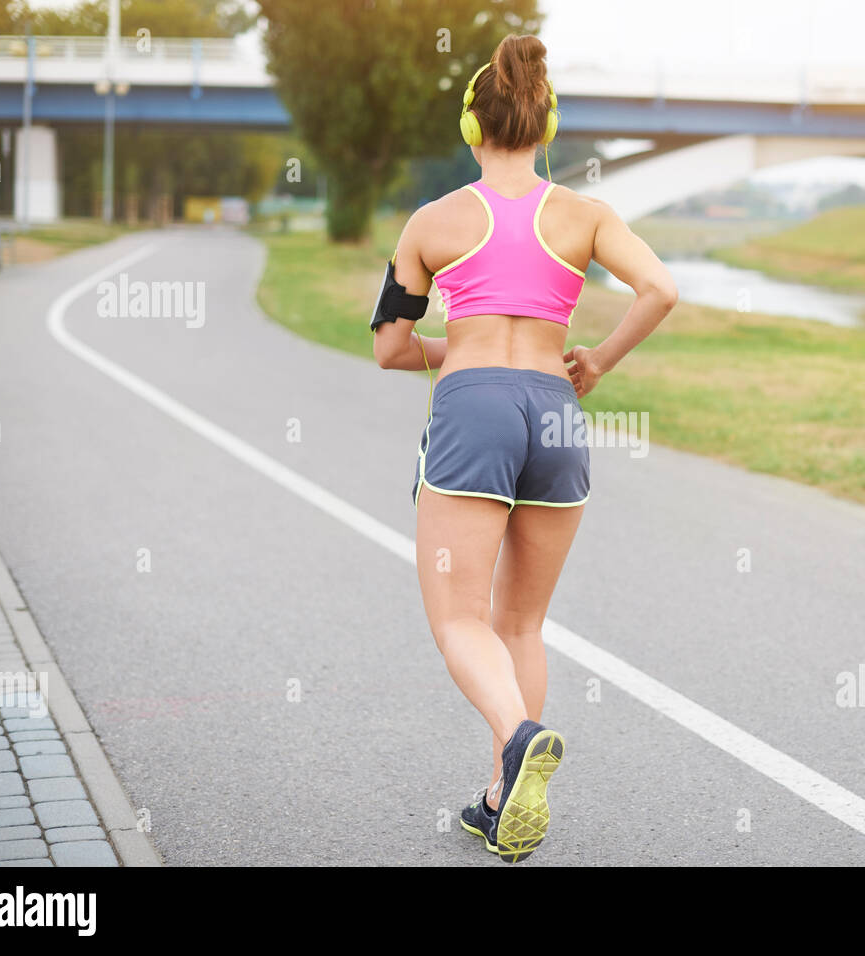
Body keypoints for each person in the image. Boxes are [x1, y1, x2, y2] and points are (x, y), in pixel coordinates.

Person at [371, 33, 677, 863]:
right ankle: (506, 801)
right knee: (522, 622)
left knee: (460, 620)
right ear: (546, 126)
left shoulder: (434, 222)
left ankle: (517, 738)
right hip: (556, 412)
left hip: (473, 410)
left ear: (473, 127)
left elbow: (393, 348)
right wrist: (599, 360)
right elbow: (662, 288)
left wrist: (460, 354)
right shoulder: (587, 216)